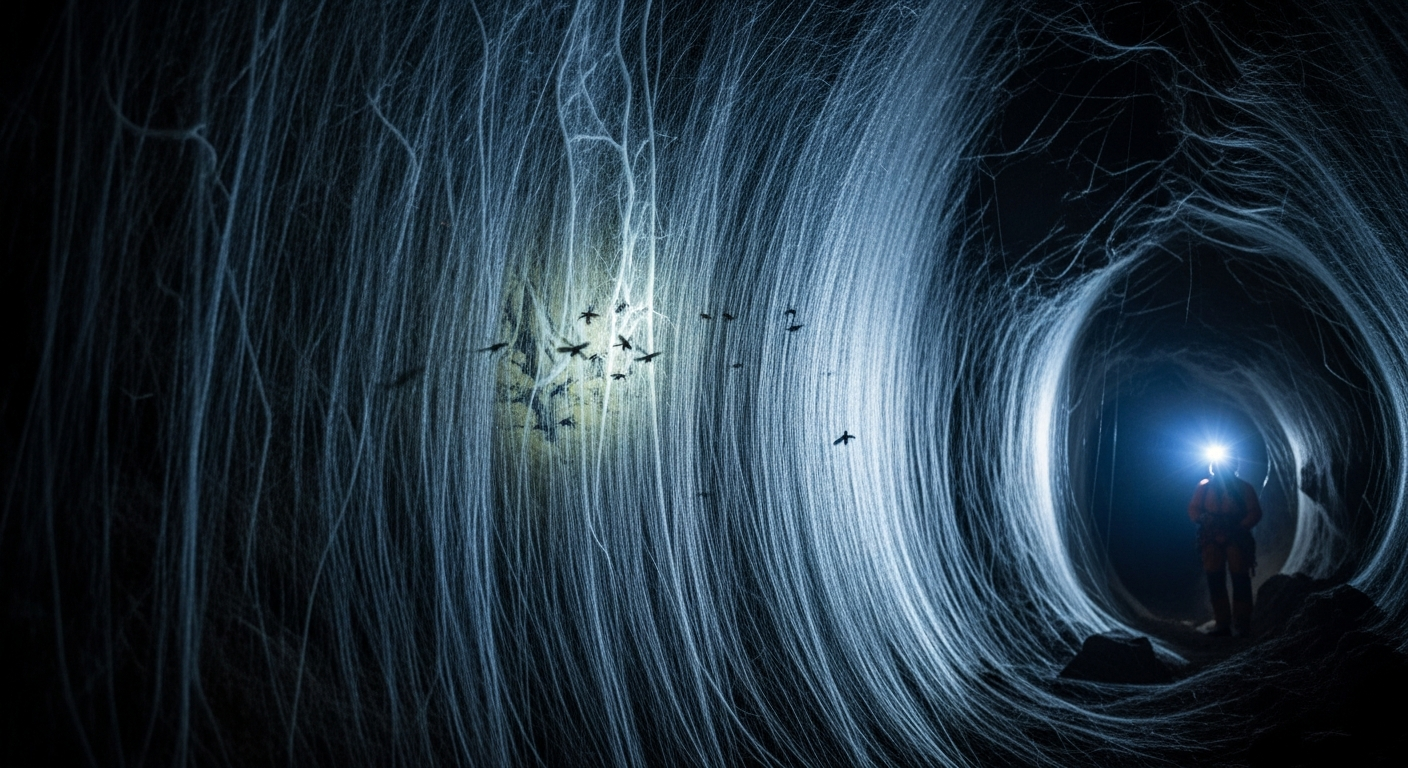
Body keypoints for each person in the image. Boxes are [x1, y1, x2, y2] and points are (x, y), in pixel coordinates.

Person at [1188, 457, 1263, 637]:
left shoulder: (1244, 488)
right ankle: (1222, 622)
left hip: (1236, 537)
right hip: (1211, 537)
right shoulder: (1204, 487)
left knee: (1240, 578)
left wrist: (1239, 527)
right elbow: (1194, 508)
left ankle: (1242, 622)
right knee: (1215, 578)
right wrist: (1204, 520)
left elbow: (1255, 512)